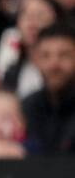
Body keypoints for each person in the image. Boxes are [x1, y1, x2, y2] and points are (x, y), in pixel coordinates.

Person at [21, 21, 75, 154]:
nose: (54, 64)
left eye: (64, 55)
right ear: (35, 61)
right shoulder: (27, 108)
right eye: (45, 56)